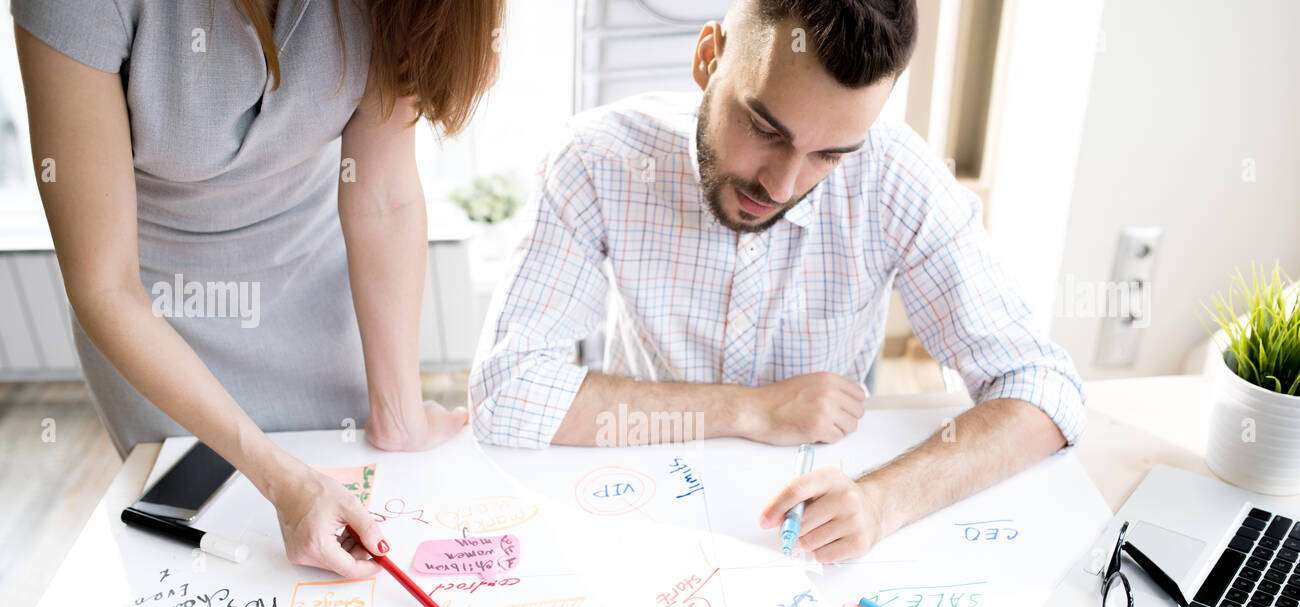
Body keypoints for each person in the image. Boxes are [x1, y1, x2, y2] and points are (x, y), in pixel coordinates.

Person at [470, 0, 1085, 564]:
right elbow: (507, 392)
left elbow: (1044, 391)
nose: (781, 187)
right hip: (641, 503)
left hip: (811, 529)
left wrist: (883, 501)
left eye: (830, 155)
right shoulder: (598, 157)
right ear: (709, 58)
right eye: (766, 130)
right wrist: (752, 410)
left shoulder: (898, 177)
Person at [14, 0, 502, 576]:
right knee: (217, 570)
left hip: (317, 301)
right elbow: (105, 287)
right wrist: (281, 478)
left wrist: (399, 416)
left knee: (341, 551)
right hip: (155, 323)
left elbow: (384, 198)